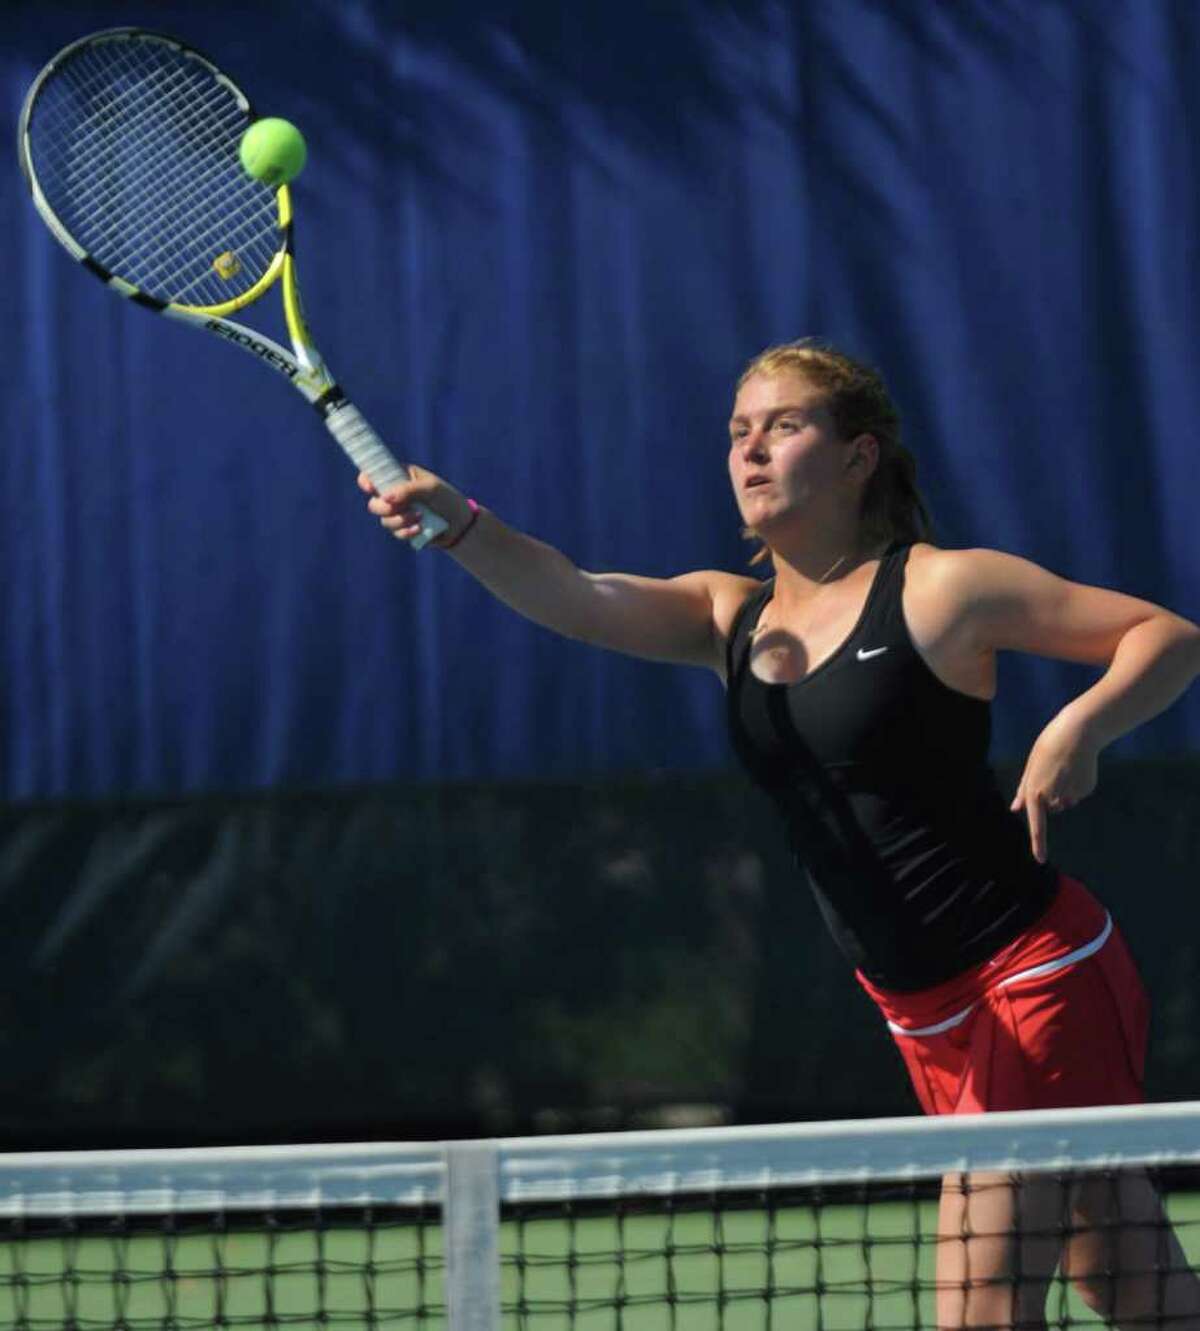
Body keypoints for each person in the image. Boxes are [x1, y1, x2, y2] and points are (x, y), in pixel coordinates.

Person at [359, 340, 1200, 1330]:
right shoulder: (729, 613)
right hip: (918, 1012)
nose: (751, 450)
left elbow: (1166, 635)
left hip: (1033, 978)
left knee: (981, 1309)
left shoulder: (941, 588)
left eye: (784, 425)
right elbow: (575, 593)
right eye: (738, 432)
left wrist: (1077, 726)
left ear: (858, 457)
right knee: (1127, 1277)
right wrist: (461, 524)